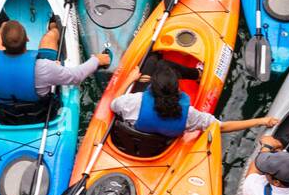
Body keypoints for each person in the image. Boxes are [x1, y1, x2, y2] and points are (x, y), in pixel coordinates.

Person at [109, 56, 278, 143]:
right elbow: (222, 127)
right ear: (178, 89)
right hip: (163, 142)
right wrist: (262, 120)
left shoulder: (133, 102)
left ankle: (158, 58)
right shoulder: (189, 115)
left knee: (152, 61)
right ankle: (197, 74)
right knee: (161, 64)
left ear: (152, 87)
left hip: (140, 136)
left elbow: (113, 104)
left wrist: (130, 79)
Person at [0, 16, 110, 106]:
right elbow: (76, 77)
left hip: (6, 110)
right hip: (38, 107)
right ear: (27, 39)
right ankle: (53, 28)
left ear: (3, 44)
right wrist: (96, 60)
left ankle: (3, 25)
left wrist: (4, 29)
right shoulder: (45, 67)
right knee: (49, 38)